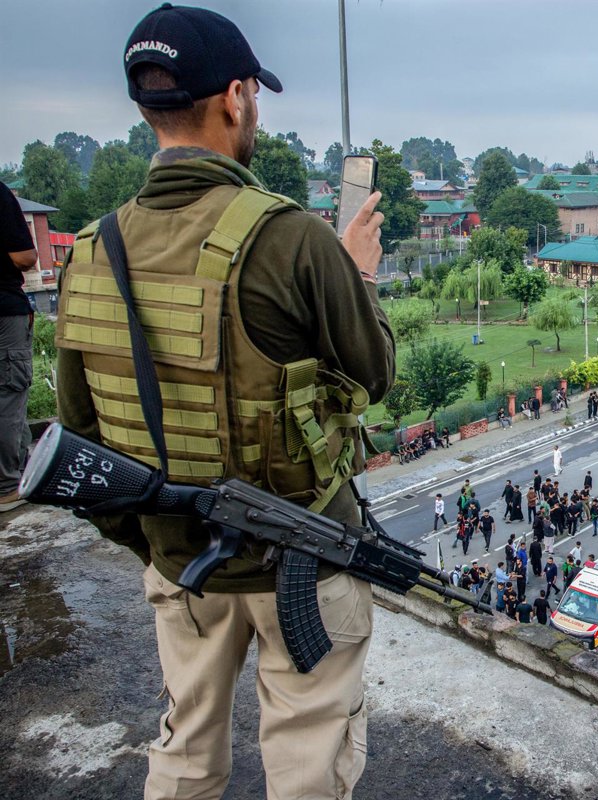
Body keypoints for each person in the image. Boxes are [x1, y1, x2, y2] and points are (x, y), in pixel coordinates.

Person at [55, 6, 394, 798]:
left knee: (182, 751)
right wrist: (360, 274)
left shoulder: (91, 251)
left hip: (182, 562)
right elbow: (373, 370)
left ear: (147, 107)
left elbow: (76, 436)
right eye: (254, 97)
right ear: (237, 98)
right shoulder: (291, 236)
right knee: (309, 761)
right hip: (303, 555)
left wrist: (155, 545)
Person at [0, 180, 37, 512]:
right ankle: (6, 486)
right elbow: (25, 257)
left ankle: (18, 469)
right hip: (3, 308)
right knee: (9, 391)